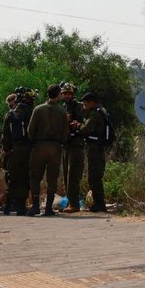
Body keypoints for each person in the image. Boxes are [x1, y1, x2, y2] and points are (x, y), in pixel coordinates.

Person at [26, 85, 69, 216]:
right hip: (55, 148)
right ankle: (49, 208)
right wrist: (61, 142)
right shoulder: (62, 111)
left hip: (39, 146)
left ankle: (35, 207)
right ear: (58, 95)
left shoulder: (38, 109)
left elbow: (30, 130)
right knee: (52, 178)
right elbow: (66, 133)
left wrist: (34, 142)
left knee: (35, 177)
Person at [1, 89, 34, 216]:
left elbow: (5, 135)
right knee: (25, 178)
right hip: (27, 150)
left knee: (12, 179)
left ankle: (8, 206)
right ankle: (20, 206)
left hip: (13, 151)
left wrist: (7, 149)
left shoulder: (9, 115)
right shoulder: (31, 112)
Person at [79, 91, 113, 212]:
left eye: (86, 103)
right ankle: (99, 202)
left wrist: (78, 126)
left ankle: (99, 204)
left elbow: (85, 129)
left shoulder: (94, 114)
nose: (84, 105)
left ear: (92, 103)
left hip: (95, 149)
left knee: (94, 177)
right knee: (95, 176)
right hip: (98, 148)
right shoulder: (101, 111)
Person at [60, 82, 85, 210]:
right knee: (65, 174)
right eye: (65, 93)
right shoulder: (63, 107)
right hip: (66, 144)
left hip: (76, 143)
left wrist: (72, 121)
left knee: (73, 174)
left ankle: (74, 204)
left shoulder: (79, 107)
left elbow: (82, 123)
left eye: (69, 93)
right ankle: (71, 202)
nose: (67, 96)